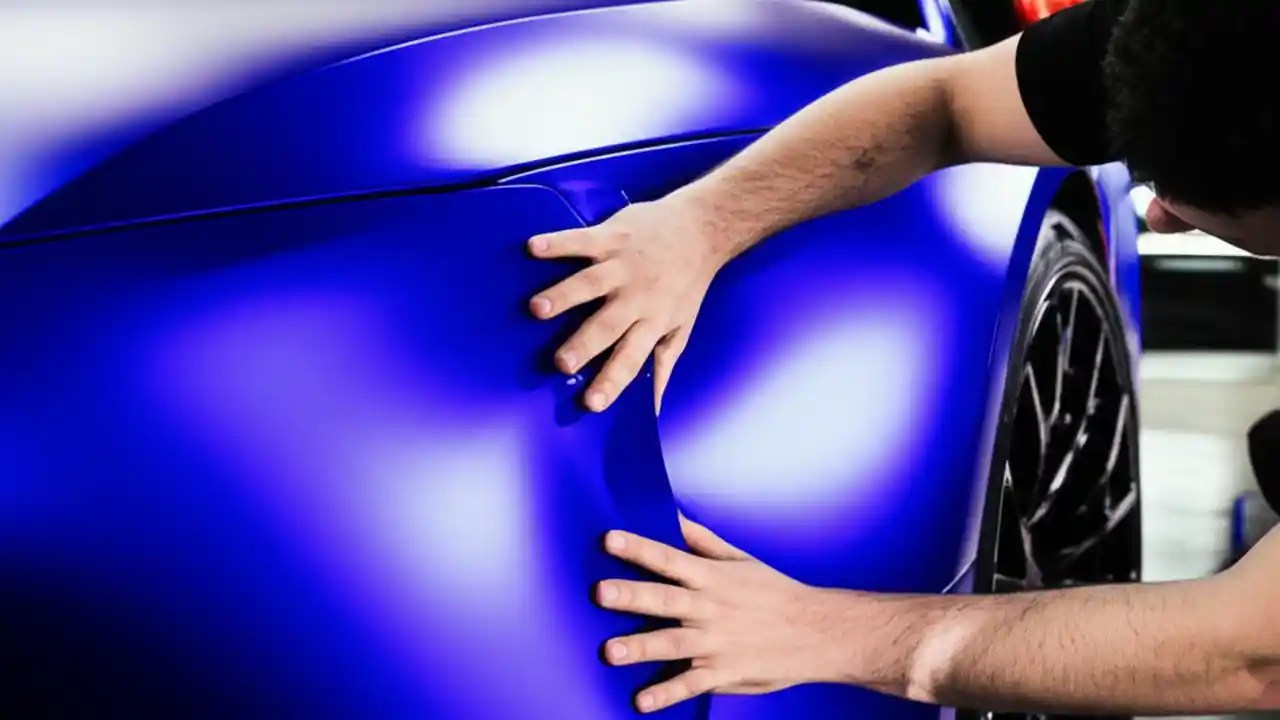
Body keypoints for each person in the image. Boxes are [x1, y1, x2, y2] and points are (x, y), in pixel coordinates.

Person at [525, 0, 1280, 715]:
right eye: (1155, 183)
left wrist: (824, 633)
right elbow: (946, 104)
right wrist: (702, 225)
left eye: (1194, 201)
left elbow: (1251, 653)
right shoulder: (1201, 31)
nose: (1159, 218)